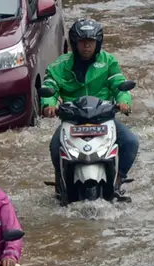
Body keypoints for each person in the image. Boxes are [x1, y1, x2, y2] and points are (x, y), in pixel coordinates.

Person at [38, 18, 139, 189]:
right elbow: (50, 86)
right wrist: (49, 104)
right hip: (72, 119)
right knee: (55, 146)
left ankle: (118, 177)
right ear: (74, 43)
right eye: (82, 42)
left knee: (131, 142)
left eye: (91, 42)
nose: (87, 46)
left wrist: (124, 102)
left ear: (97, 43)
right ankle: (61, 182)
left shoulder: (108, 61)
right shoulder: (59, 65)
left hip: (103, 117)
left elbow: (119, 84)